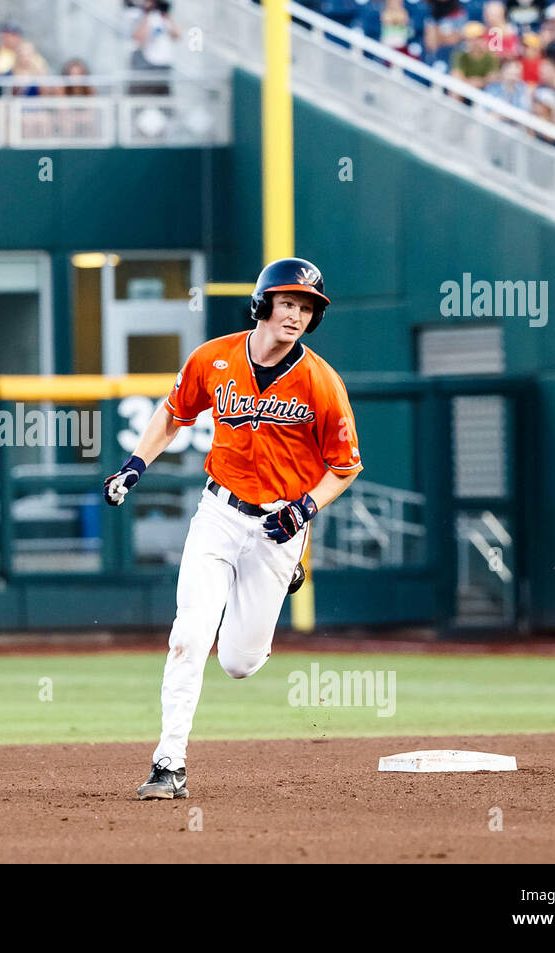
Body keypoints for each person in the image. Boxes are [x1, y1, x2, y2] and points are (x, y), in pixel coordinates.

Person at [103, 258, 362, 800]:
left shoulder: (322, 382)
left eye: (307, 307)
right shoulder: (212, 358)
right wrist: (134, 465)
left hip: (278, 526)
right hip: (219, 514)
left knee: (240, 663)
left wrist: (306, 509)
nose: (296, 314)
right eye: (288, 302)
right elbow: (173, 415)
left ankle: (293, 566)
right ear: (264, 303)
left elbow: (344, 467)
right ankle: (168, 765)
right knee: (189, 636)